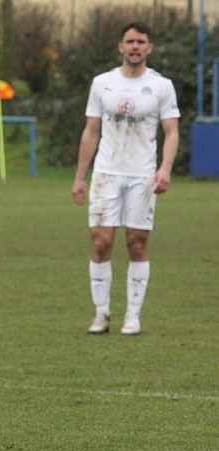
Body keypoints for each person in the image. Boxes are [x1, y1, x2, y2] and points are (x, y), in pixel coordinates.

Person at [71, 21, 179, 336]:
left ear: (149, 47)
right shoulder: (102, 83)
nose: (135, 47)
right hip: (106, 173)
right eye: (130, 41)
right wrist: (80, 176)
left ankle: (133, 316)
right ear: (121, 47)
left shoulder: (161, 86)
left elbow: (171, 132)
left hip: (142, 176)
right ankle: (101, 314)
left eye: (140, 42)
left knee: (137, 242)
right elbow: (91, 131)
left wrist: (165, 169)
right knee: (102, 241)